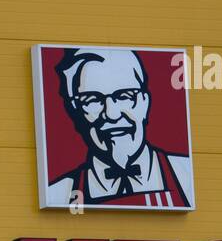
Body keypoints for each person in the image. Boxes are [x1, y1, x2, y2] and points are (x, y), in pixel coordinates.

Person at [44, 47, 192, 208]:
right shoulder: (59, 194)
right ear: (75, 110)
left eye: (124, 96)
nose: (112, 114)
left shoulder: (186, 176)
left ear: (145, 102)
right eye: (92, 100)